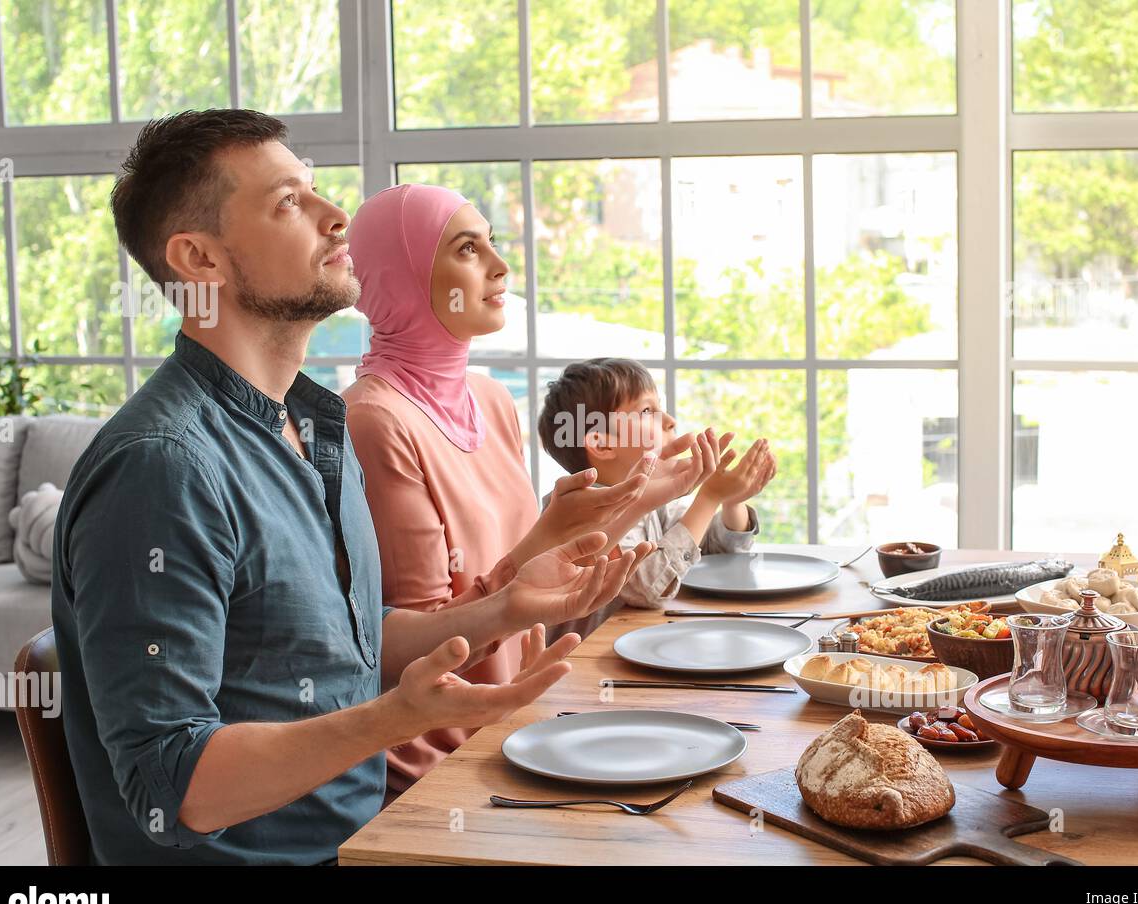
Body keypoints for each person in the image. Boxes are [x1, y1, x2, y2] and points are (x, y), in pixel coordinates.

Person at [52, 109, 645, 864]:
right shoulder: (161, 467)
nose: (337, 218)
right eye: (289, 202)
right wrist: (390, 720)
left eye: (316, 191)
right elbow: (175, 787)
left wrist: (507, 606)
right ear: (200, 259)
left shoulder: (314, 424)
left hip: (378, 841)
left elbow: (352, 652)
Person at [342, 184, 715, 795]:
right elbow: (417, 645)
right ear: (402, 276)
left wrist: (637, 500)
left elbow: (535, 575)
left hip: (527, 717)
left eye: (492, 241)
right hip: (444, 759)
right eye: (467, 248)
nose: (499, 265)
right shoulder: (374, 420)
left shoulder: (490, 400)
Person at [538, 358, 776, 632]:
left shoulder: (649, 498)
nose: (670, 420)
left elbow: (715, 549)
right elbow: (648, 588)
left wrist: (732, 499)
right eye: (647, 410)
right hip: (585, 666)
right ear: (602, 443)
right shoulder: (582, 512)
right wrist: (708, 498)